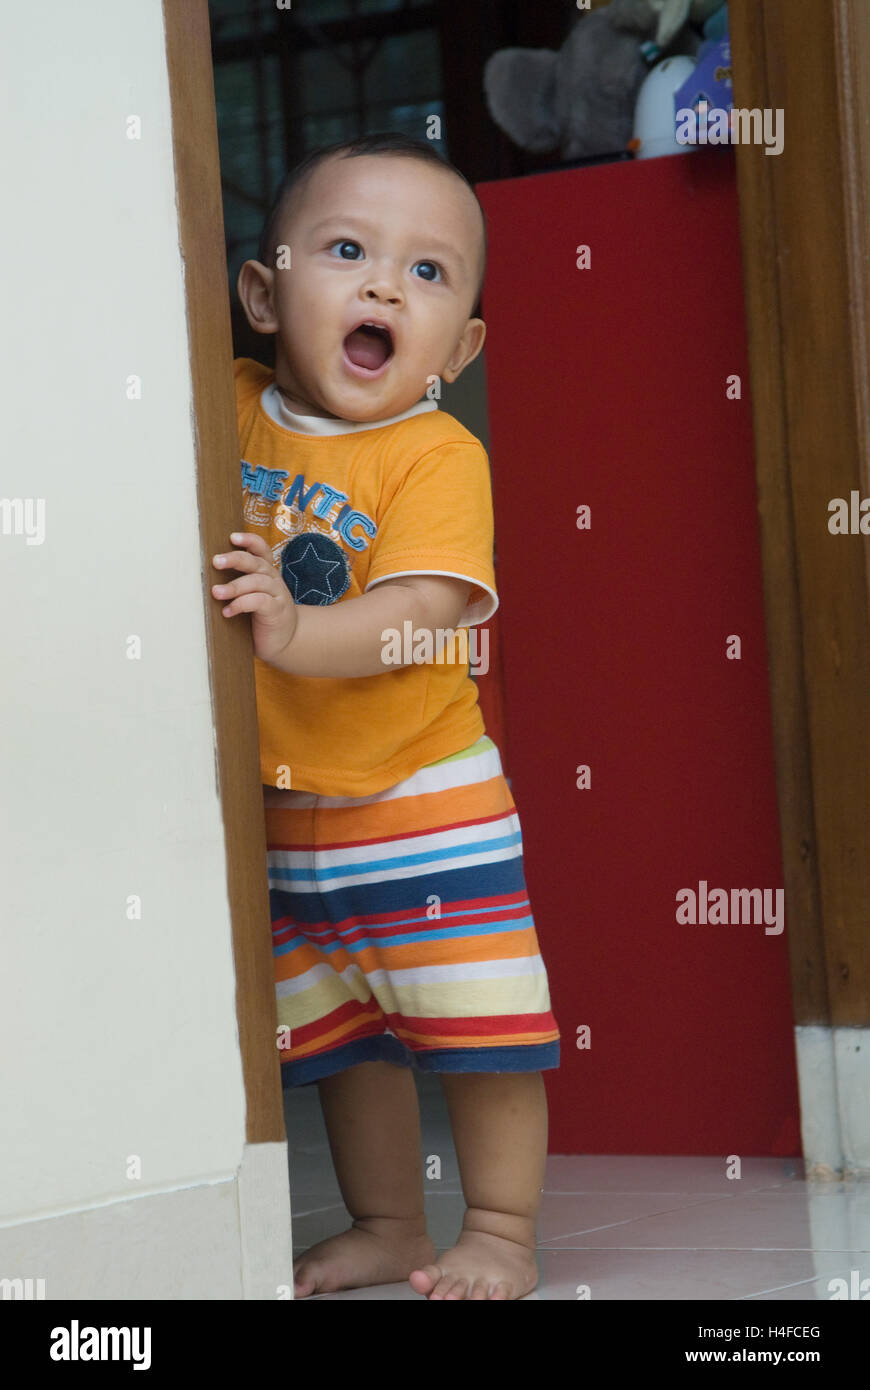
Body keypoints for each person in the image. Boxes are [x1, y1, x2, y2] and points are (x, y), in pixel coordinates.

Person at [211, 133, 560, 1301]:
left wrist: (299, 634)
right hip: (288, 808)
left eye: (426, 272)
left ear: (456, 349)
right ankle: (388, 1221)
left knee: (477, 1030)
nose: (379, 287)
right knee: (343, 1039)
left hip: (423, 803)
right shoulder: (235, 413)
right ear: (264, 293)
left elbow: (420, 607)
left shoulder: (434, 454)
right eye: (348, 251)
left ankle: (502, 1229)